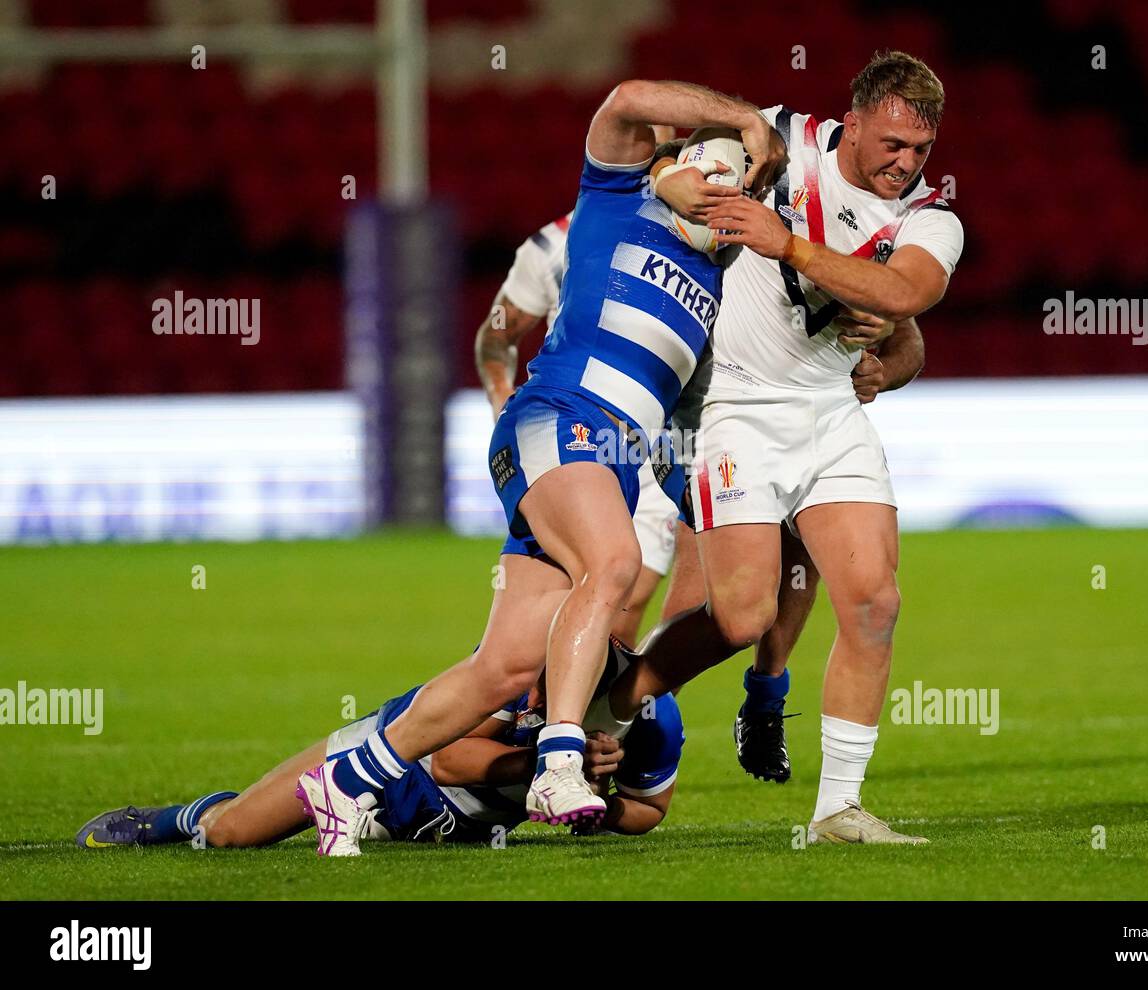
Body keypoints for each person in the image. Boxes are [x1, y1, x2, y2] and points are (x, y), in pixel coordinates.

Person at [295, 79, 785, 855]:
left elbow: (684, 431)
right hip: (556, 422)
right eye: (710, 173)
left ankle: (346, 781)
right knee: (616, 562)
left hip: (610, 461)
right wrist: (745, 120)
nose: (720, 196)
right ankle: (560, 760)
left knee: (506, 665)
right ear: (678, 167)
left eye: (737, 188)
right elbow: (626, 100)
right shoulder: (618, 199)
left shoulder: (716, 288)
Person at [645, 50, 963, 843]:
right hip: (736, 407)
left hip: (830, 415)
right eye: (891, 145)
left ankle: (838, 809)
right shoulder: (781, 141)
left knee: (874, 601)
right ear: (851, 124)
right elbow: (675, 146)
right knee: (740, 611)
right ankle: (612, 703)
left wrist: (793, 251)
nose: (905, 164)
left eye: (920, 151)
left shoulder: (930, 218)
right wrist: (669, 173)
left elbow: (906, 299)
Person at [76, 640, 683, 851]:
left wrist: (597, 807)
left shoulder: (652, 714)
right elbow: (446, 758)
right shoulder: (520, 667)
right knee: (233, 834)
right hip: (394, 760)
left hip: (465, 829)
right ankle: (170, 820)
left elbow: (650, 809)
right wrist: (557, 765)